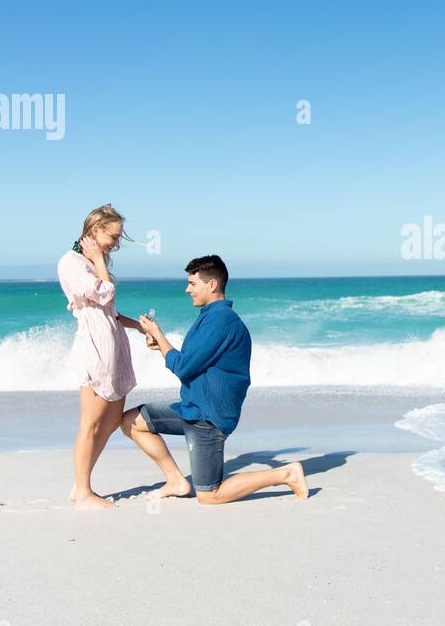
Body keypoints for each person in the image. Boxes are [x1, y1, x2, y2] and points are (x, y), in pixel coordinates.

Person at [122, 254, 307, 504]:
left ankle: (286, 473)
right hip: (192, 408)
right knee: (131, 421)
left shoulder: (221, 320)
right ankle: (176, 481)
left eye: (192, 283)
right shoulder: (211, 316)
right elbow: (191, 361)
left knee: (209, 496)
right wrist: (162, 346)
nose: (187, 289)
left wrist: (159, 335)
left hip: (208, 417)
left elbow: (184, 367)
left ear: (212, 285)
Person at [57, 204, 145, 510]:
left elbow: (110, 309)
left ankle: (80, 483)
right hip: (94, 347)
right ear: (94, 231)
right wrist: (97, 259)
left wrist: (137, 326)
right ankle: (83, 491)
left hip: (113, 343)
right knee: (91, 424)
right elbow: (103, 293)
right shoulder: (72, 263)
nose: (117, 245)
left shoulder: (95, 262)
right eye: (114, 237)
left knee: (109, 423)